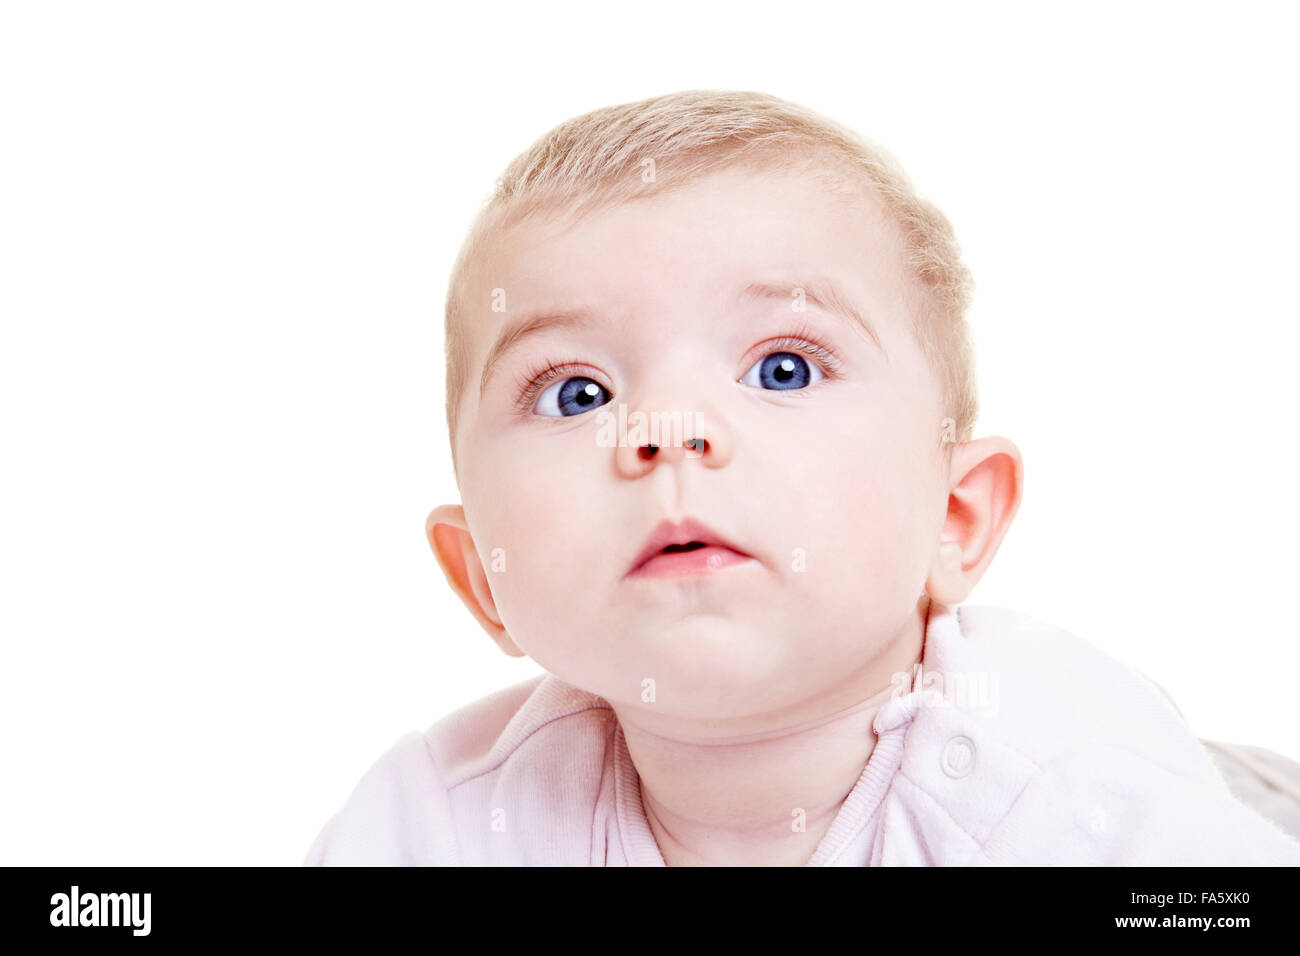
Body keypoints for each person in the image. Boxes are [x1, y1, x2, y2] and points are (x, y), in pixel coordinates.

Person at [304, 89, 1300, 865]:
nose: (666, 431)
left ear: (953, 519)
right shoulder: (441, 816)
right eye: (576, 391)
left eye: (783, 367)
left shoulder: (1070, 793)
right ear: (482, 574)